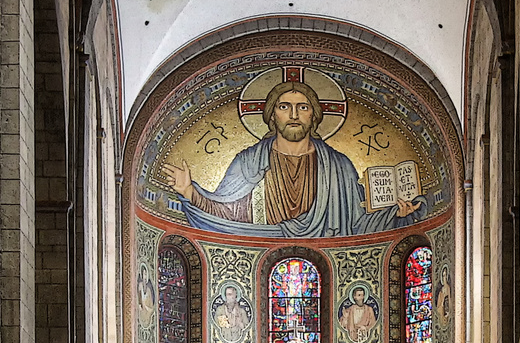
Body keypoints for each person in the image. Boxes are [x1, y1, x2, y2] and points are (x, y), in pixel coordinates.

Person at [160, 79, 424, 238]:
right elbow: (227, 215)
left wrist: (396, 214)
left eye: (303, 107)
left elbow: (355, 225)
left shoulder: (339, 167)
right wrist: (190, 192)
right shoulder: (249, 162)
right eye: (284, 107)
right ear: (272, 115)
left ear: (314, 115)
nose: (294, 114)